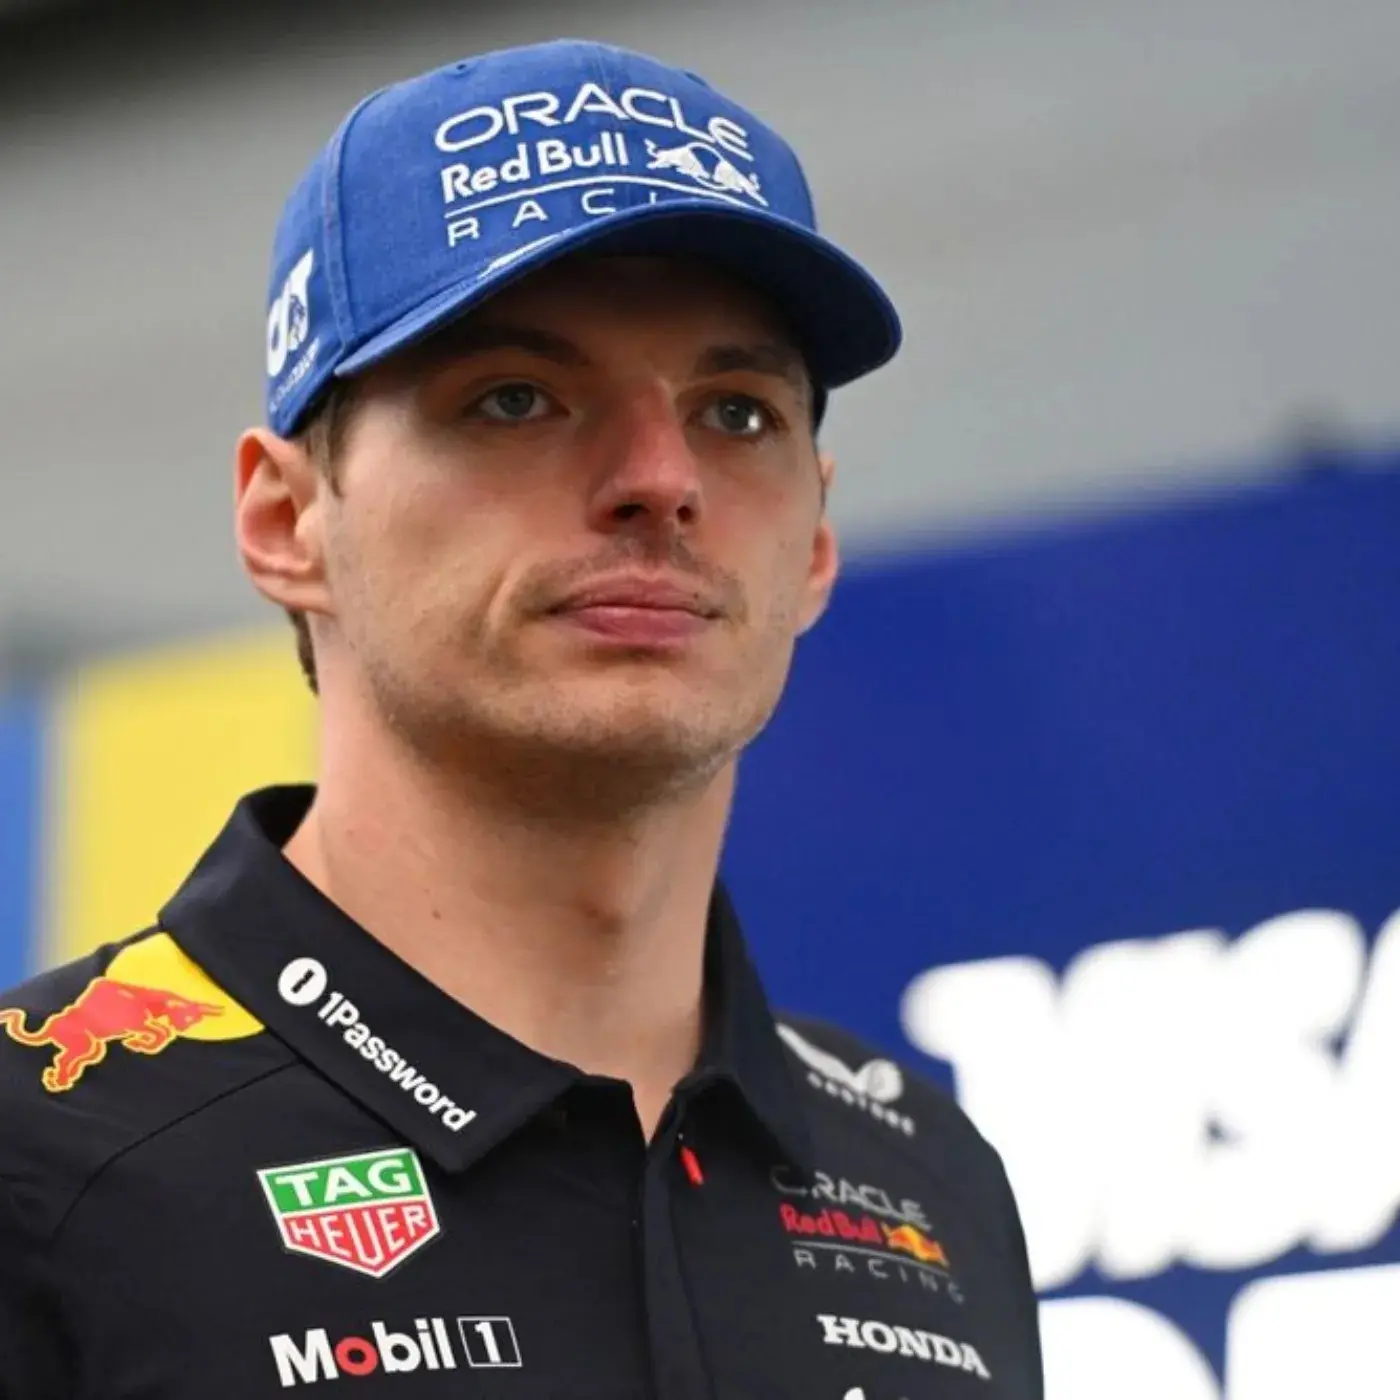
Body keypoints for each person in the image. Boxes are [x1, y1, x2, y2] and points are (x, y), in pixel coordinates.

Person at [0, 38, 1043, 1399]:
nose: (660, 479)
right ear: (286, 520)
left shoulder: (928, 1176)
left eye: (737, 413)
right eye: (514, 398)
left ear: (816, 547)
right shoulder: (38, 1154)